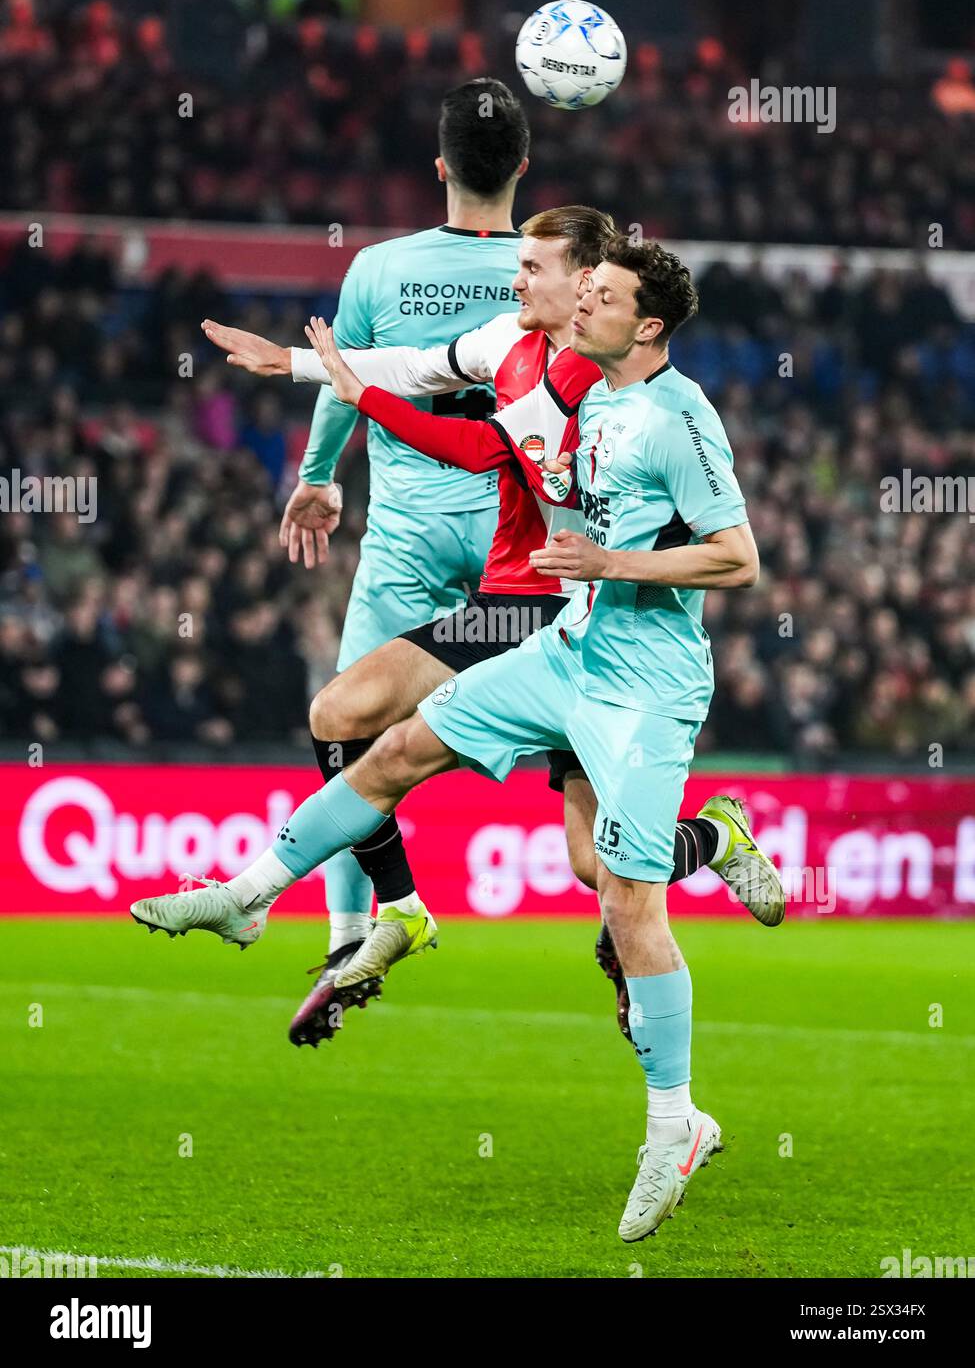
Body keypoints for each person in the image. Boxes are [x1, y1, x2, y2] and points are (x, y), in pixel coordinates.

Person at [136, 236, 763, 1240]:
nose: (557, 298)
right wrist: (331, 376)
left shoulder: (679, 415)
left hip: (644, 684)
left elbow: (738, 559)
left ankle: (673, 1121)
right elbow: (471, 425)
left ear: (642, 323)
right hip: (563, 646)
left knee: (624, 899)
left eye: (590, 289)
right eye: (580, 286)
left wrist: (608, 558)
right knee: (388, 749)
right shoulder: (573, 393)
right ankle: (248, 895)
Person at [200, 208, 784, 1047]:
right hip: (522, 604)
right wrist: (295, 363)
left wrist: (352, 397)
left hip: (563, 612)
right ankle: (389, 907)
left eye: (534, 268)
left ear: (585, 285)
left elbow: (476, 446)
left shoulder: (597, 376)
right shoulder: (504, 344)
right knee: (349, 720)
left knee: (599, 867)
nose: (518, 283)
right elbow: (412, 365)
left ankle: (680, 871)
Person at [206, 77, 528, 966]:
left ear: (438, 167)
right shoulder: (550, 275)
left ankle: (353, 937)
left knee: (345, 729)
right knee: (579, 737)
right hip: (521, 543)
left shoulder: (379, 268)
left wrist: (317, 478)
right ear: (524, 169)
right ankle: (636, 922)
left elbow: (344, 377)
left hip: (410, 540)